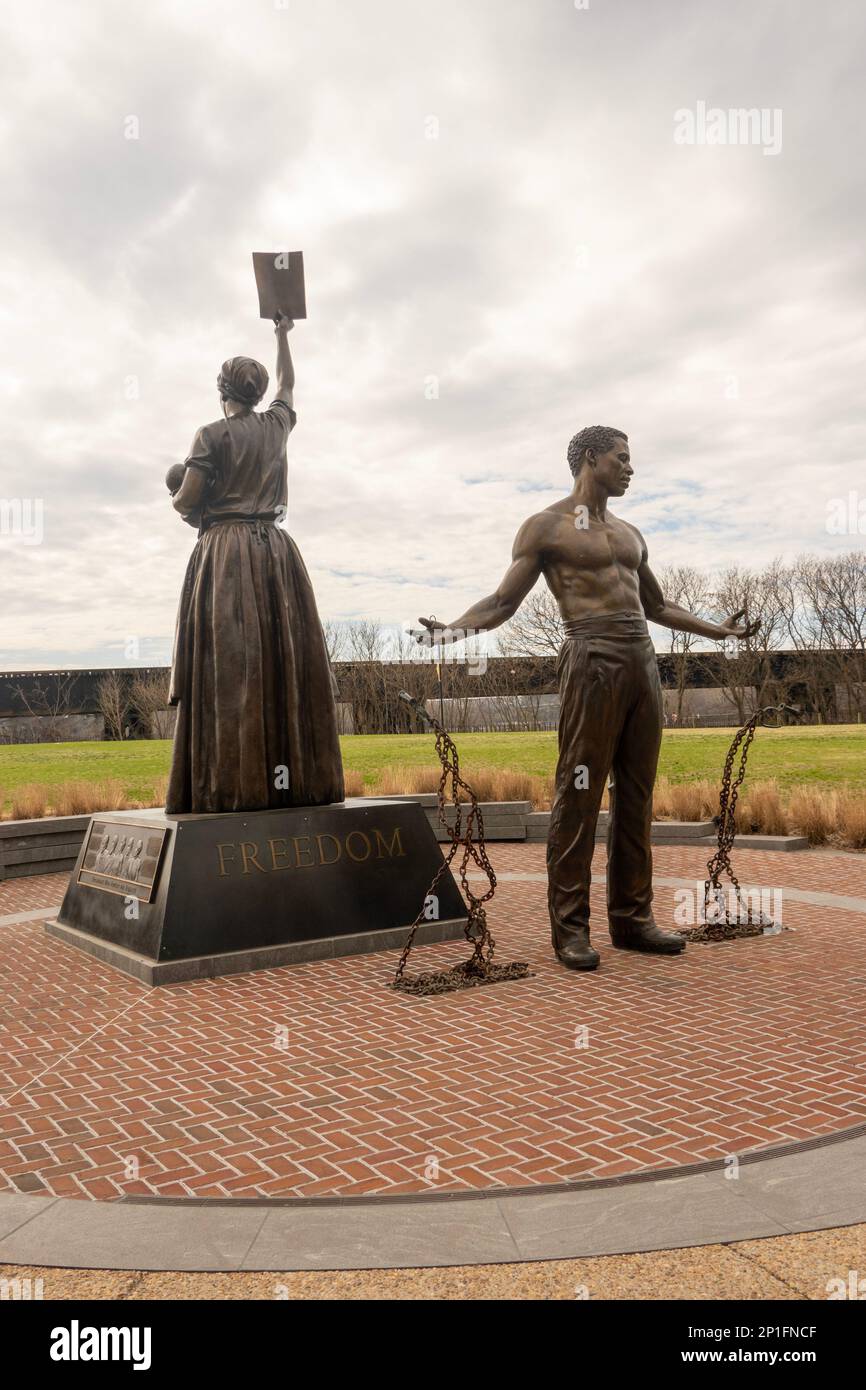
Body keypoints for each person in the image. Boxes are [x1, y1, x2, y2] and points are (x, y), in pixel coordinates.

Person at [413, 426, 757, 971]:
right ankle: (570, 929)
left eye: (631, 459)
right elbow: (504, 601)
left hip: (642, 661)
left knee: (637, 794)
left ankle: (633, 920)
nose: (630, 467)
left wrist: (721, 633)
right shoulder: (545, 527)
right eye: (621, 458)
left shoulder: (629, 533)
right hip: (591, 657)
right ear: (590, 459)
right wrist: (451, 632)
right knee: (579, 794)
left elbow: (658, 606)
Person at [166, 317, 344, 814]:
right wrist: (283, 333)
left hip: (226, 552)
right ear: (258, 392)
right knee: (281, 662)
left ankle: (232, 786)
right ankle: (295, 784)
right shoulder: (276, 426)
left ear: (222, 391)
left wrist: (176, 487)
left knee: (233, 669)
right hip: (276, 552)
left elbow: (188, 502)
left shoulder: (210, 435)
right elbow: (290, 384)